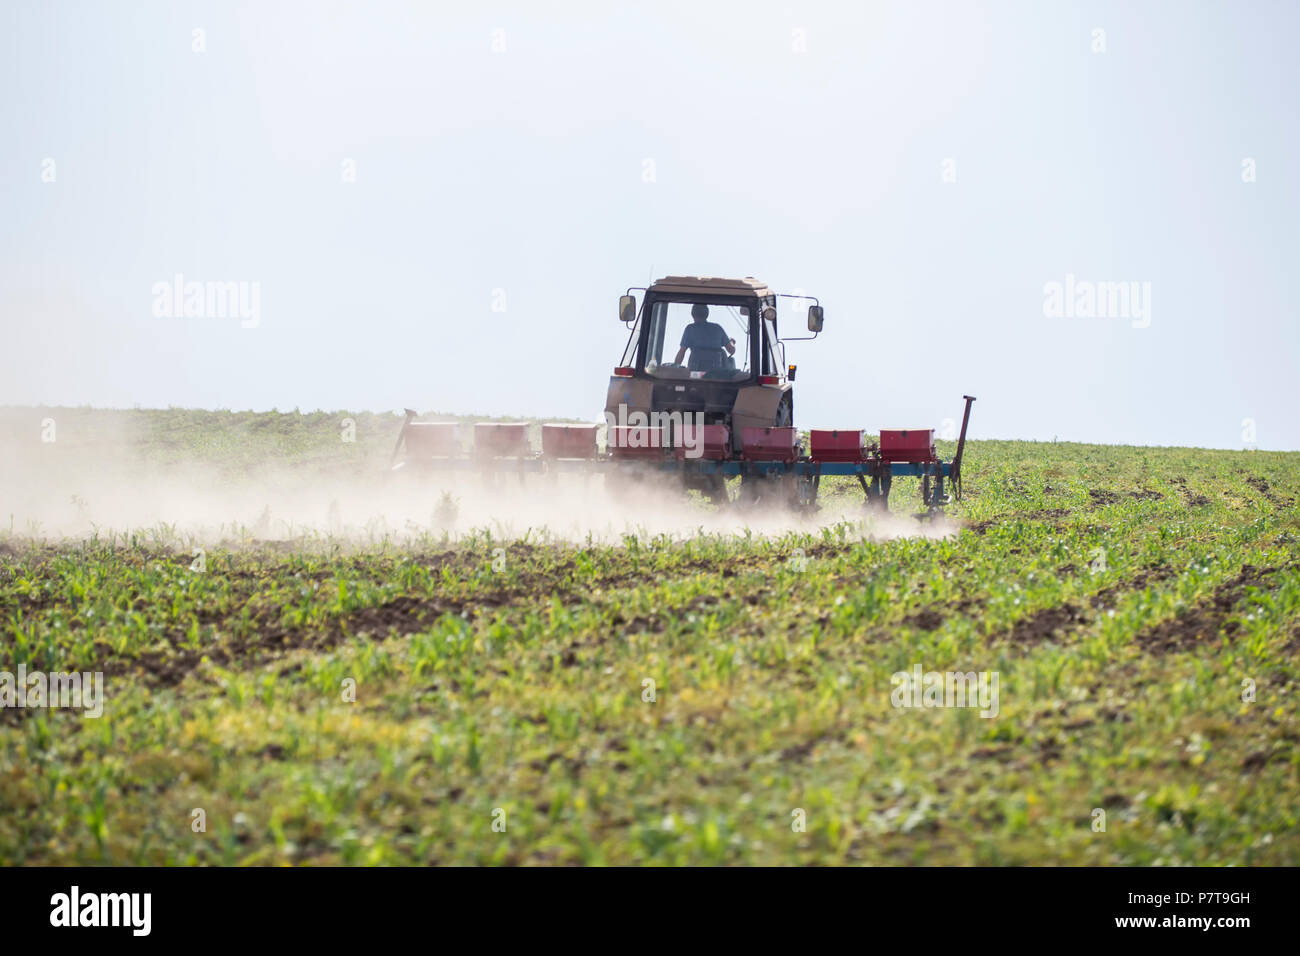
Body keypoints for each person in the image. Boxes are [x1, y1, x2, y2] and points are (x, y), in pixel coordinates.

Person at [673, 303, 736, 371]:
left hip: (696, 374)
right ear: (707, 314)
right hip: (716, 374)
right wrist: (731, 342)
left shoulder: (690, 329)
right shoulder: (717, 328)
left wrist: (674, 369)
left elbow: (682, 352)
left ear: (692, 314)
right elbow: (731, 350)